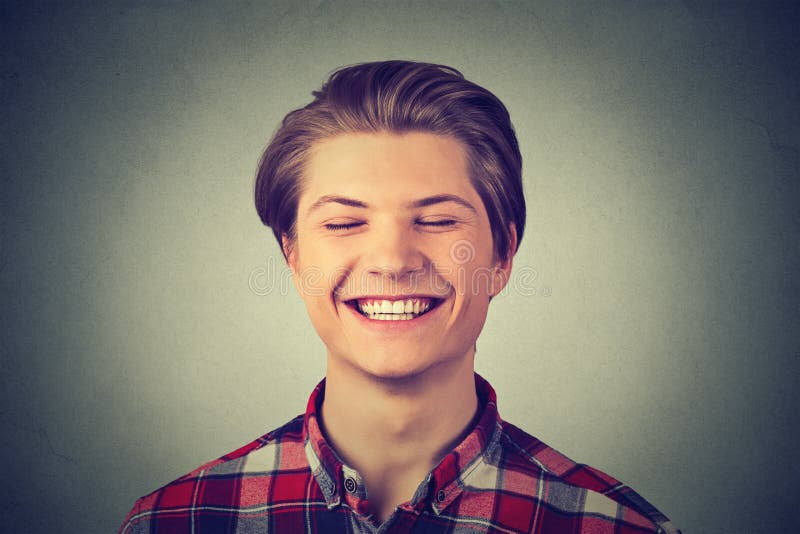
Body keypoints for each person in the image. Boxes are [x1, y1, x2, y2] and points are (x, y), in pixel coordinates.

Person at [120, 60, 681, 533]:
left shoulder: (614, 526)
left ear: (502, 255)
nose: (392, 261)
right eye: (343, 224)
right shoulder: (175, 521)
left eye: (437, 219)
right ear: (292, 256)